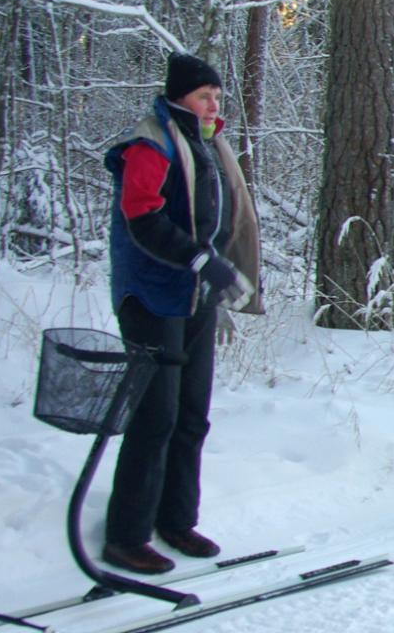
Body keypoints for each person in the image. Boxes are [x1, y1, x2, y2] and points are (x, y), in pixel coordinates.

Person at [101, 52, 263, 575]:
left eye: (217, 95)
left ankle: (176, 520)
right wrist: (199, 258)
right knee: (156, 416)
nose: (213, 103)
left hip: (195, 297)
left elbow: (223, 216)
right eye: (203, 96)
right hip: (152, 294)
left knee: (192, 414)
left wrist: (224, 267)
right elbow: (141, 216)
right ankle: (126, 535)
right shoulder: (153, 142)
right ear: (179, 98)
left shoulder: (209, 144)